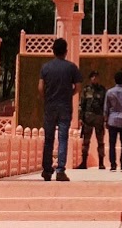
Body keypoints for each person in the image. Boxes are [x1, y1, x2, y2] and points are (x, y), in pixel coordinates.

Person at [37, 37, 83, 183]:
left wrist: (47, 97)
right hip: (65, 107)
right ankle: (60, 170)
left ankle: (46, 170)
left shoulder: (46, 68)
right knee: (63, 138)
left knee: (49, 139)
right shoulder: (71, 67)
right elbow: (78, 87)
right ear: (66, 51)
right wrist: (69, 94)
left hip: (50, 107)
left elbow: (40, 87)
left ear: (53, 51)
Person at [76, 71, 108, 170]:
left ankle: (101, 163)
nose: (95, 79)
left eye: (96, 77)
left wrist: (105, 118)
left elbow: (105, 105)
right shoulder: (86, 90)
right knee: (86, 141)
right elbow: (82, 105)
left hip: (98, 117)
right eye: (93, 77)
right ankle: (84, 162)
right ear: (90, 78)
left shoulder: (102, 90)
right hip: (88, 118)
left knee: (100, 141)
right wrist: (80, 118)